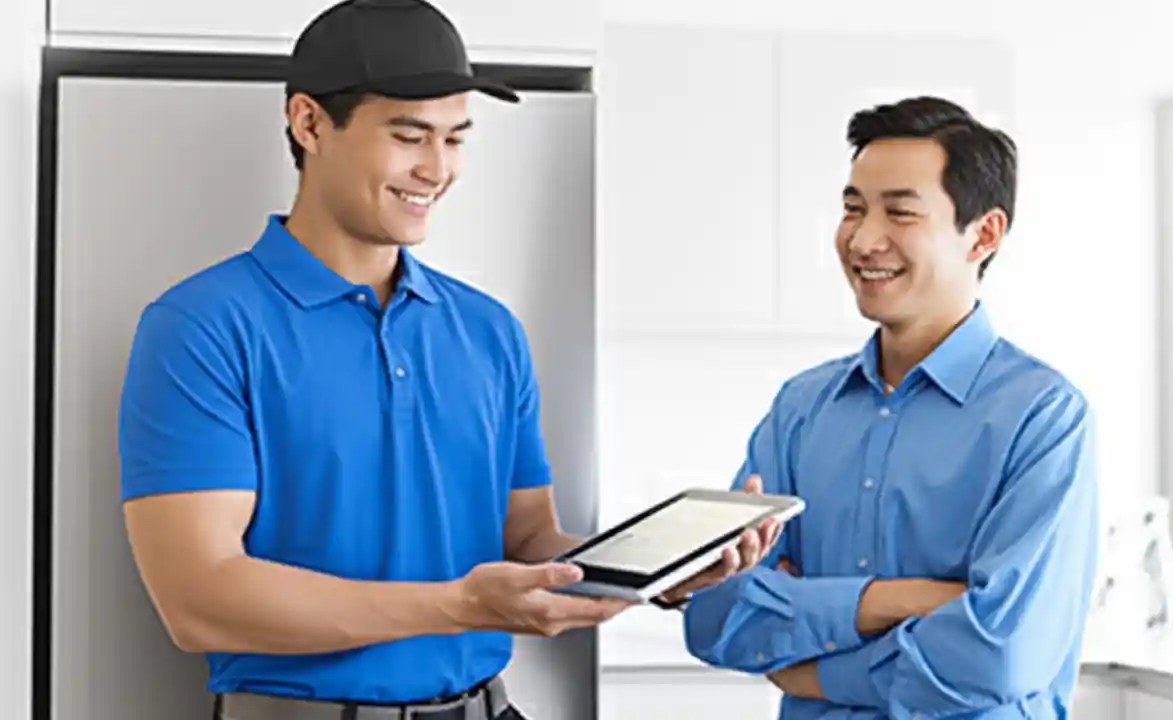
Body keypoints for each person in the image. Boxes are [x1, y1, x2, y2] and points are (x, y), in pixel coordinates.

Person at [116, 1, 774, 718]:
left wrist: (657, 576)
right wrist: (459, 606)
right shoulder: (202, 327)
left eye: (456, 138)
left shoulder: (489, 331)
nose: (437, 169)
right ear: (309, 124)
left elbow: (527, 540)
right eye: (409, 136)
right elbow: (201, 601)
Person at [681, 96, 1099, 719]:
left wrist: (813, 670)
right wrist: (893, 601)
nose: (863, 239)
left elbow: (1002, 657)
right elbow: (716, 617)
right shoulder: (801, 408)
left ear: (983, 234)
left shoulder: (1042, 416)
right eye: (853, 209)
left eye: (900, 212)